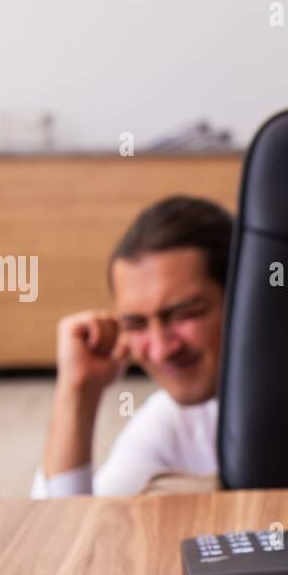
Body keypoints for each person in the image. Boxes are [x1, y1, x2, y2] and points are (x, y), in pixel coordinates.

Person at [32, 196, 233, 498]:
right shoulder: (174, 420)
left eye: (184, 314)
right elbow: (60, 524)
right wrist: (78, 390)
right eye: (137, 323)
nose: (161, 349)